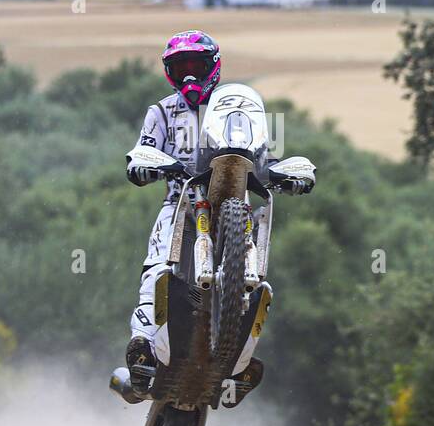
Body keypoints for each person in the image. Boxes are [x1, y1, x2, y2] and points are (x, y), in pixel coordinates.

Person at [124, 30, 311, 392]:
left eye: (196, 66)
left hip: (232, 203)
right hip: (181, 203)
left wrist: (285, 174)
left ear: (214, 66)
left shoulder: (241, 109)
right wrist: (143, 166)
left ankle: (240, 355)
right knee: (157, 266)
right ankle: (144, 347)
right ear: (170, 73)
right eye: (181, 69)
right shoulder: (161, 112)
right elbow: (142, 151)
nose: (190, 77)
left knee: (257, 270)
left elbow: (263, 154)